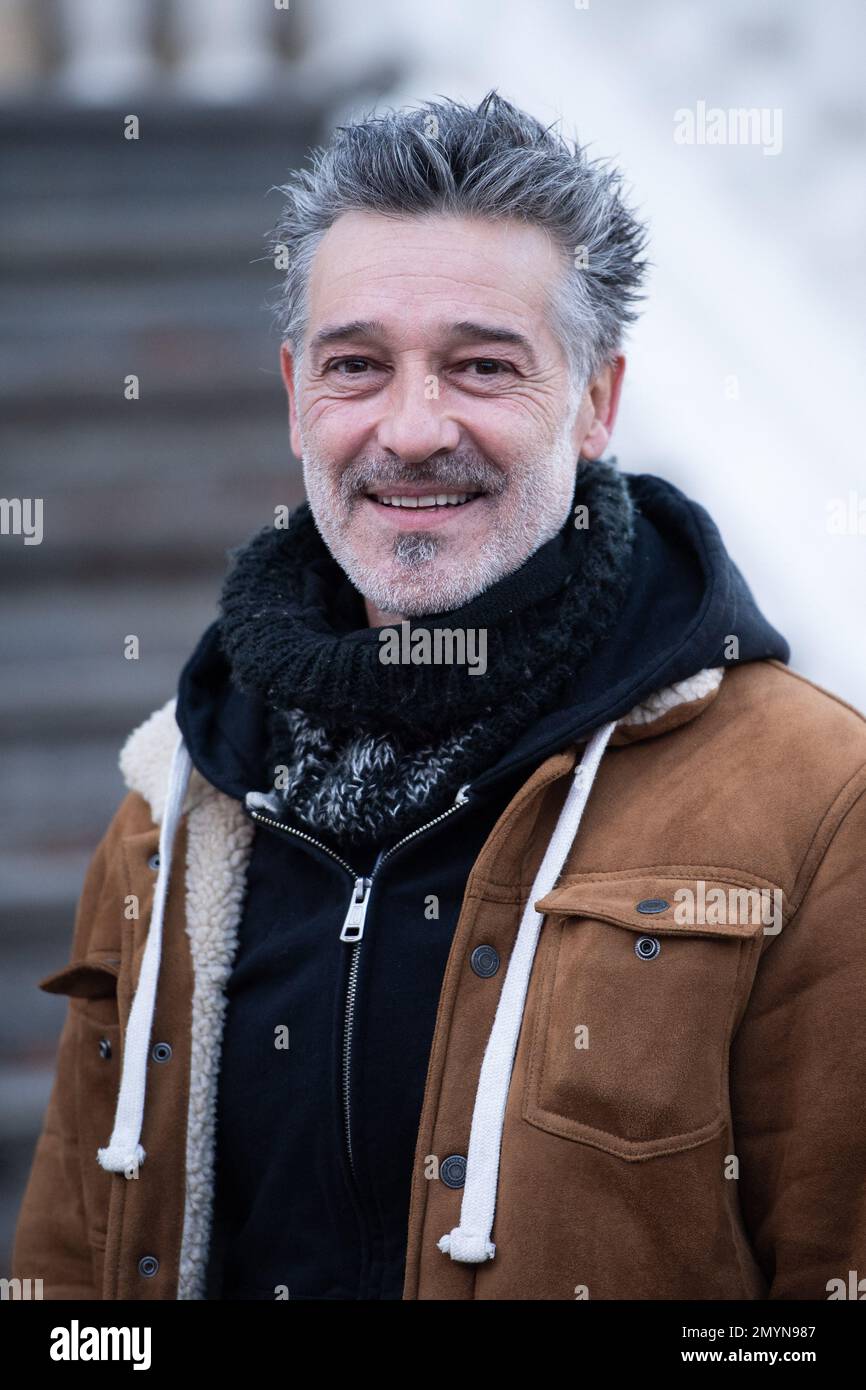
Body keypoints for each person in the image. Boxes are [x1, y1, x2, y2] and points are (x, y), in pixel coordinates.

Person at [13, 91, 866, 1301]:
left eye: (479, 366)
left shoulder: (815, 803)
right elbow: (72, 1284)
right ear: (295, 391)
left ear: (594, 402)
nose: (410, 430)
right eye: (357, 366)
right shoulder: (176, 802)